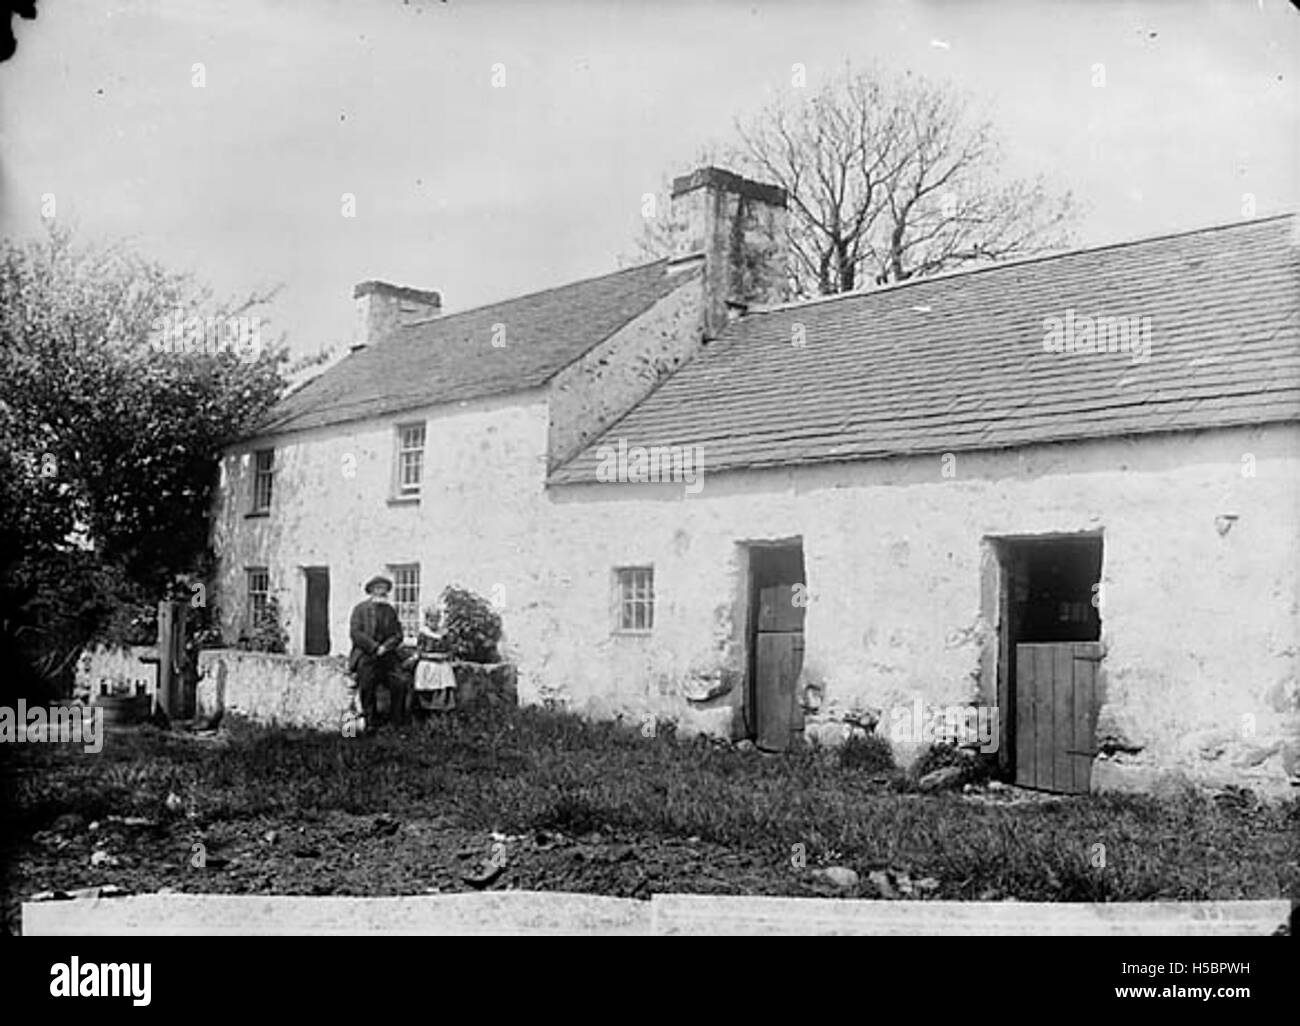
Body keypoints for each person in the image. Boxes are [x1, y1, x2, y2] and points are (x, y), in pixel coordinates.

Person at [348, 574, 406, 731]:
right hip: (366, 654)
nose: (382, 592)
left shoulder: (390, 611)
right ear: (371, 590)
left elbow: (398, 634)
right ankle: (370, 722)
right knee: (366, 682)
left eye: (385, 589)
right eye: (378, 588)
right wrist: (374, 647)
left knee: (400, 681)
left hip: (387, 656)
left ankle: (395, 721)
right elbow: (355, 633)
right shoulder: (360, 610)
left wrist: (385, 647)